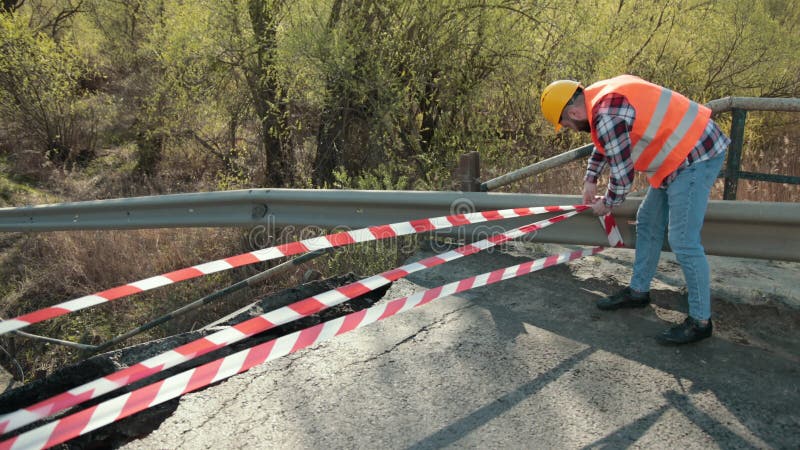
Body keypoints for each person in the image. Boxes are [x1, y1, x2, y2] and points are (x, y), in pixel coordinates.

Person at [540, 74, 729, 345]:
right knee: (648, 220)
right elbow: (606, 142)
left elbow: (623, 176)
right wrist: (590, 178)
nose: (570, 127)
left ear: (574, 111)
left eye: (567, 124)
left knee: (683, 241)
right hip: (677, 155)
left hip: (695, 155)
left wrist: (607, 204)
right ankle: (639, 292)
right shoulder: (598, 98)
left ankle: (701, 322)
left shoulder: (605, 114)